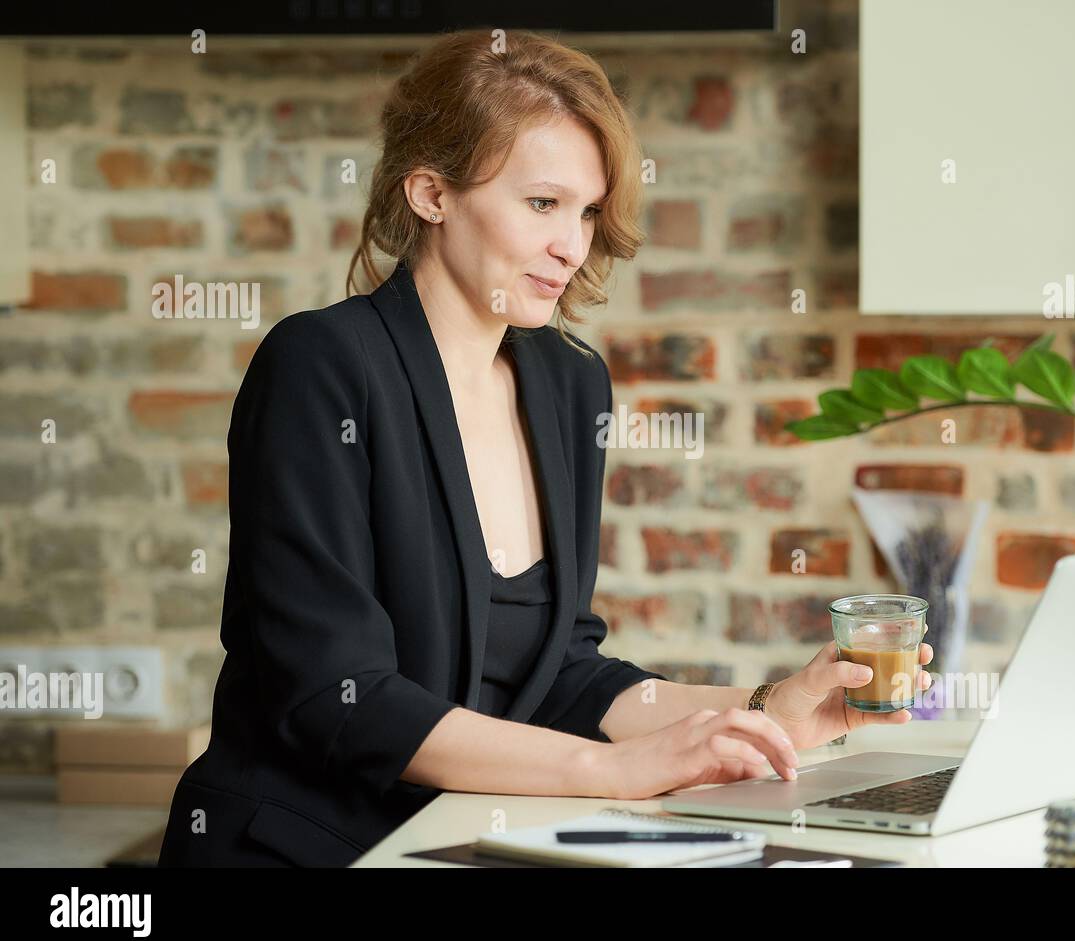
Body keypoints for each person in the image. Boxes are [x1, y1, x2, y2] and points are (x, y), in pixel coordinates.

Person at [158, 29, 932, 867]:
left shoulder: (568, 385)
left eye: (588, 210)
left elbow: (560, 671)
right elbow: (336, 695)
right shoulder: (321, 368)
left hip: (458, 843)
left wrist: (768, 706)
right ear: (430, 194)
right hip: (303, 847)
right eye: (542, 204)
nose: (574, 244)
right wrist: (615, 771)